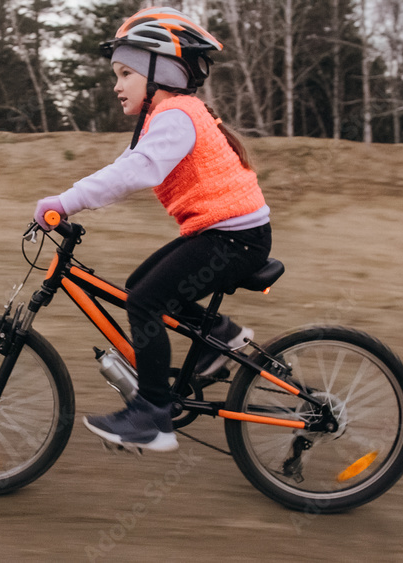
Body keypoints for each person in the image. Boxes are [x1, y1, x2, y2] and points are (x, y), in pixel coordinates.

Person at [33, 7, 271, 453]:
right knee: (140, 286)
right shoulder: (171, 116)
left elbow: (135, 173)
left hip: (234, 239)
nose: (116, 85)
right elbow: (126, 166)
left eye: (125, 73)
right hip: (226, 234)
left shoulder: (177, 116)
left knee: (145, 301)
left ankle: (152, 415)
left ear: (160, 73)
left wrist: (65, 202)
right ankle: (218, 336)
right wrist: (71, 199)